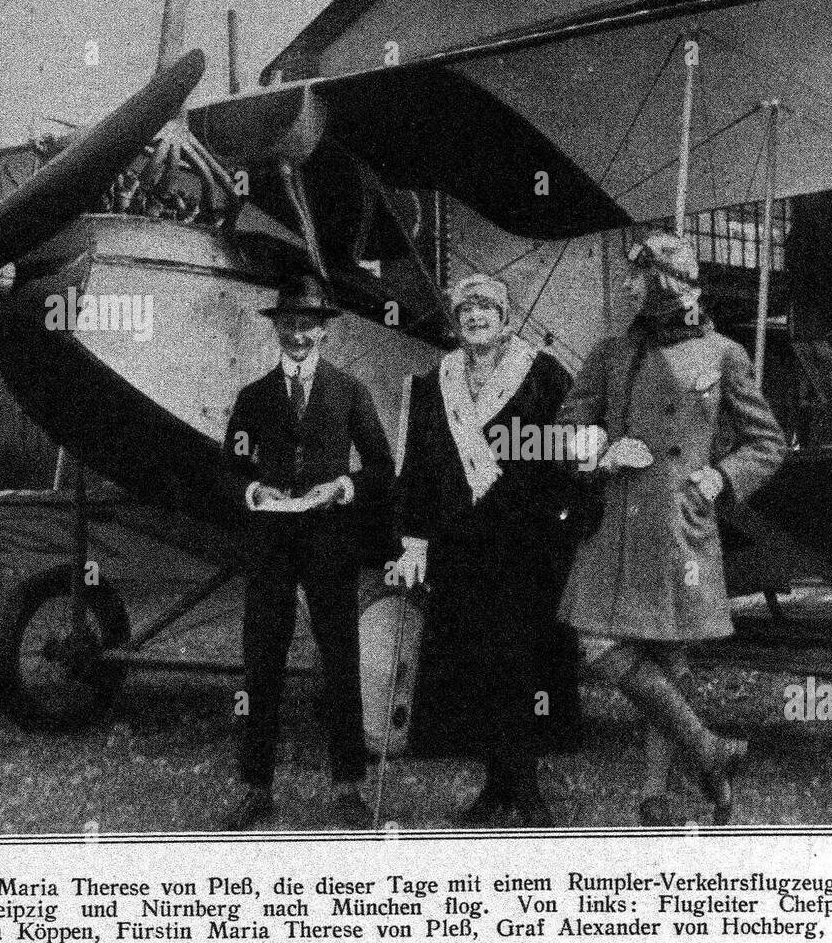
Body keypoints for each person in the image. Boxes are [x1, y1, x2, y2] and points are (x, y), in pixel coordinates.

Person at [558, 231, 788, 826]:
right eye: (653, 281)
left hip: (679, 519)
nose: (648, 290)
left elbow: (768, 444)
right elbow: (570, 421)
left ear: (682, 288)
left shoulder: (724, 354)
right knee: (600, 644)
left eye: (670, 281)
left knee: (669, 654)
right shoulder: (611, 352)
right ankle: (709, 754)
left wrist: (721, 476)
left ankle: (668, 798)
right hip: (615, 518)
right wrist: (599, 447)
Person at [394, 274, 582, 827]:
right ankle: (494, 786)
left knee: (523, 662)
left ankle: (526, 786)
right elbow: (419, 469)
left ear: (505, 317)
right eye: (466, 310)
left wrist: (565, 513)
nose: (476, 317)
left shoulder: (543, 375)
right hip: (461, 549)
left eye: (487, 309)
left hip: (526, 545)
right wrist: (415, 539)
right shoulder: (431, 385)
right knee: (478, 665)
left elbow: (567, 449)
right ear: (456, 322)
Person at [221, 272, 395, 830]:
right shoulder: (252, 399)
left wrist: (339, 487)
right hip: (270, 542)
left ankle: (348, 786)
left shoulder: (350, 392)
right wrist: (253, 491)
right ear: (278, 331)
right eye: (291, 326)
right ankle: (255, 789)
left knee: (340, 659)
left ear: (325, 333)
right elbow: (229, 472)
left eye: (309, 327)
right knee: (261, 661)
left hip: (329, 542)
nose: (299, 336)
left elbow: (379, 467)